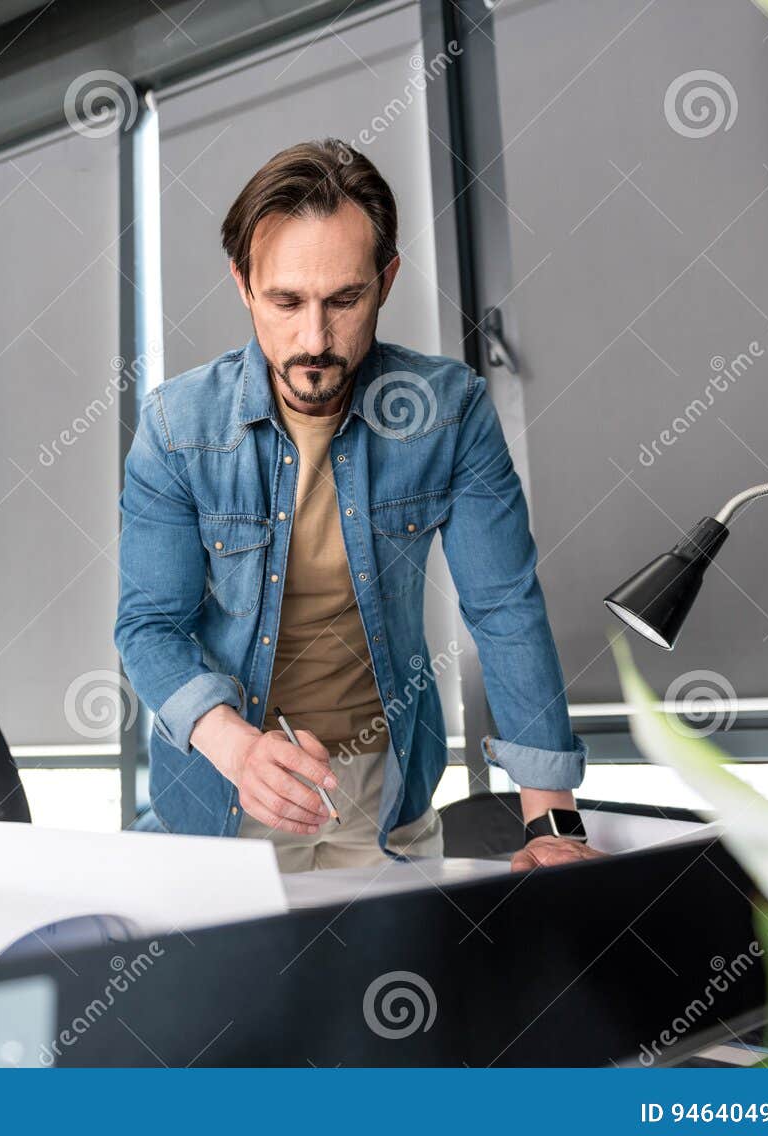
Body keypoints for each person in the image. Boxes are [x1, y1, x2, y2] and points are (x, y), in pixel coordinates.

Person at [115, 139, 603, 873]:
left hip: (385, 795)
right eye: (285, 301)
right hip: (223, 792)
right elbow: (149, 625)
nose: (314, 340)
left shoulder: (451, 411)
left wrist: (552, 821)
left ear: (387, 280)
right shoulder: (176, 428)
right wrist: (239, 750)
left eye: (345, 300)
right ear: (243, 285)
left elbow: (504, 607)